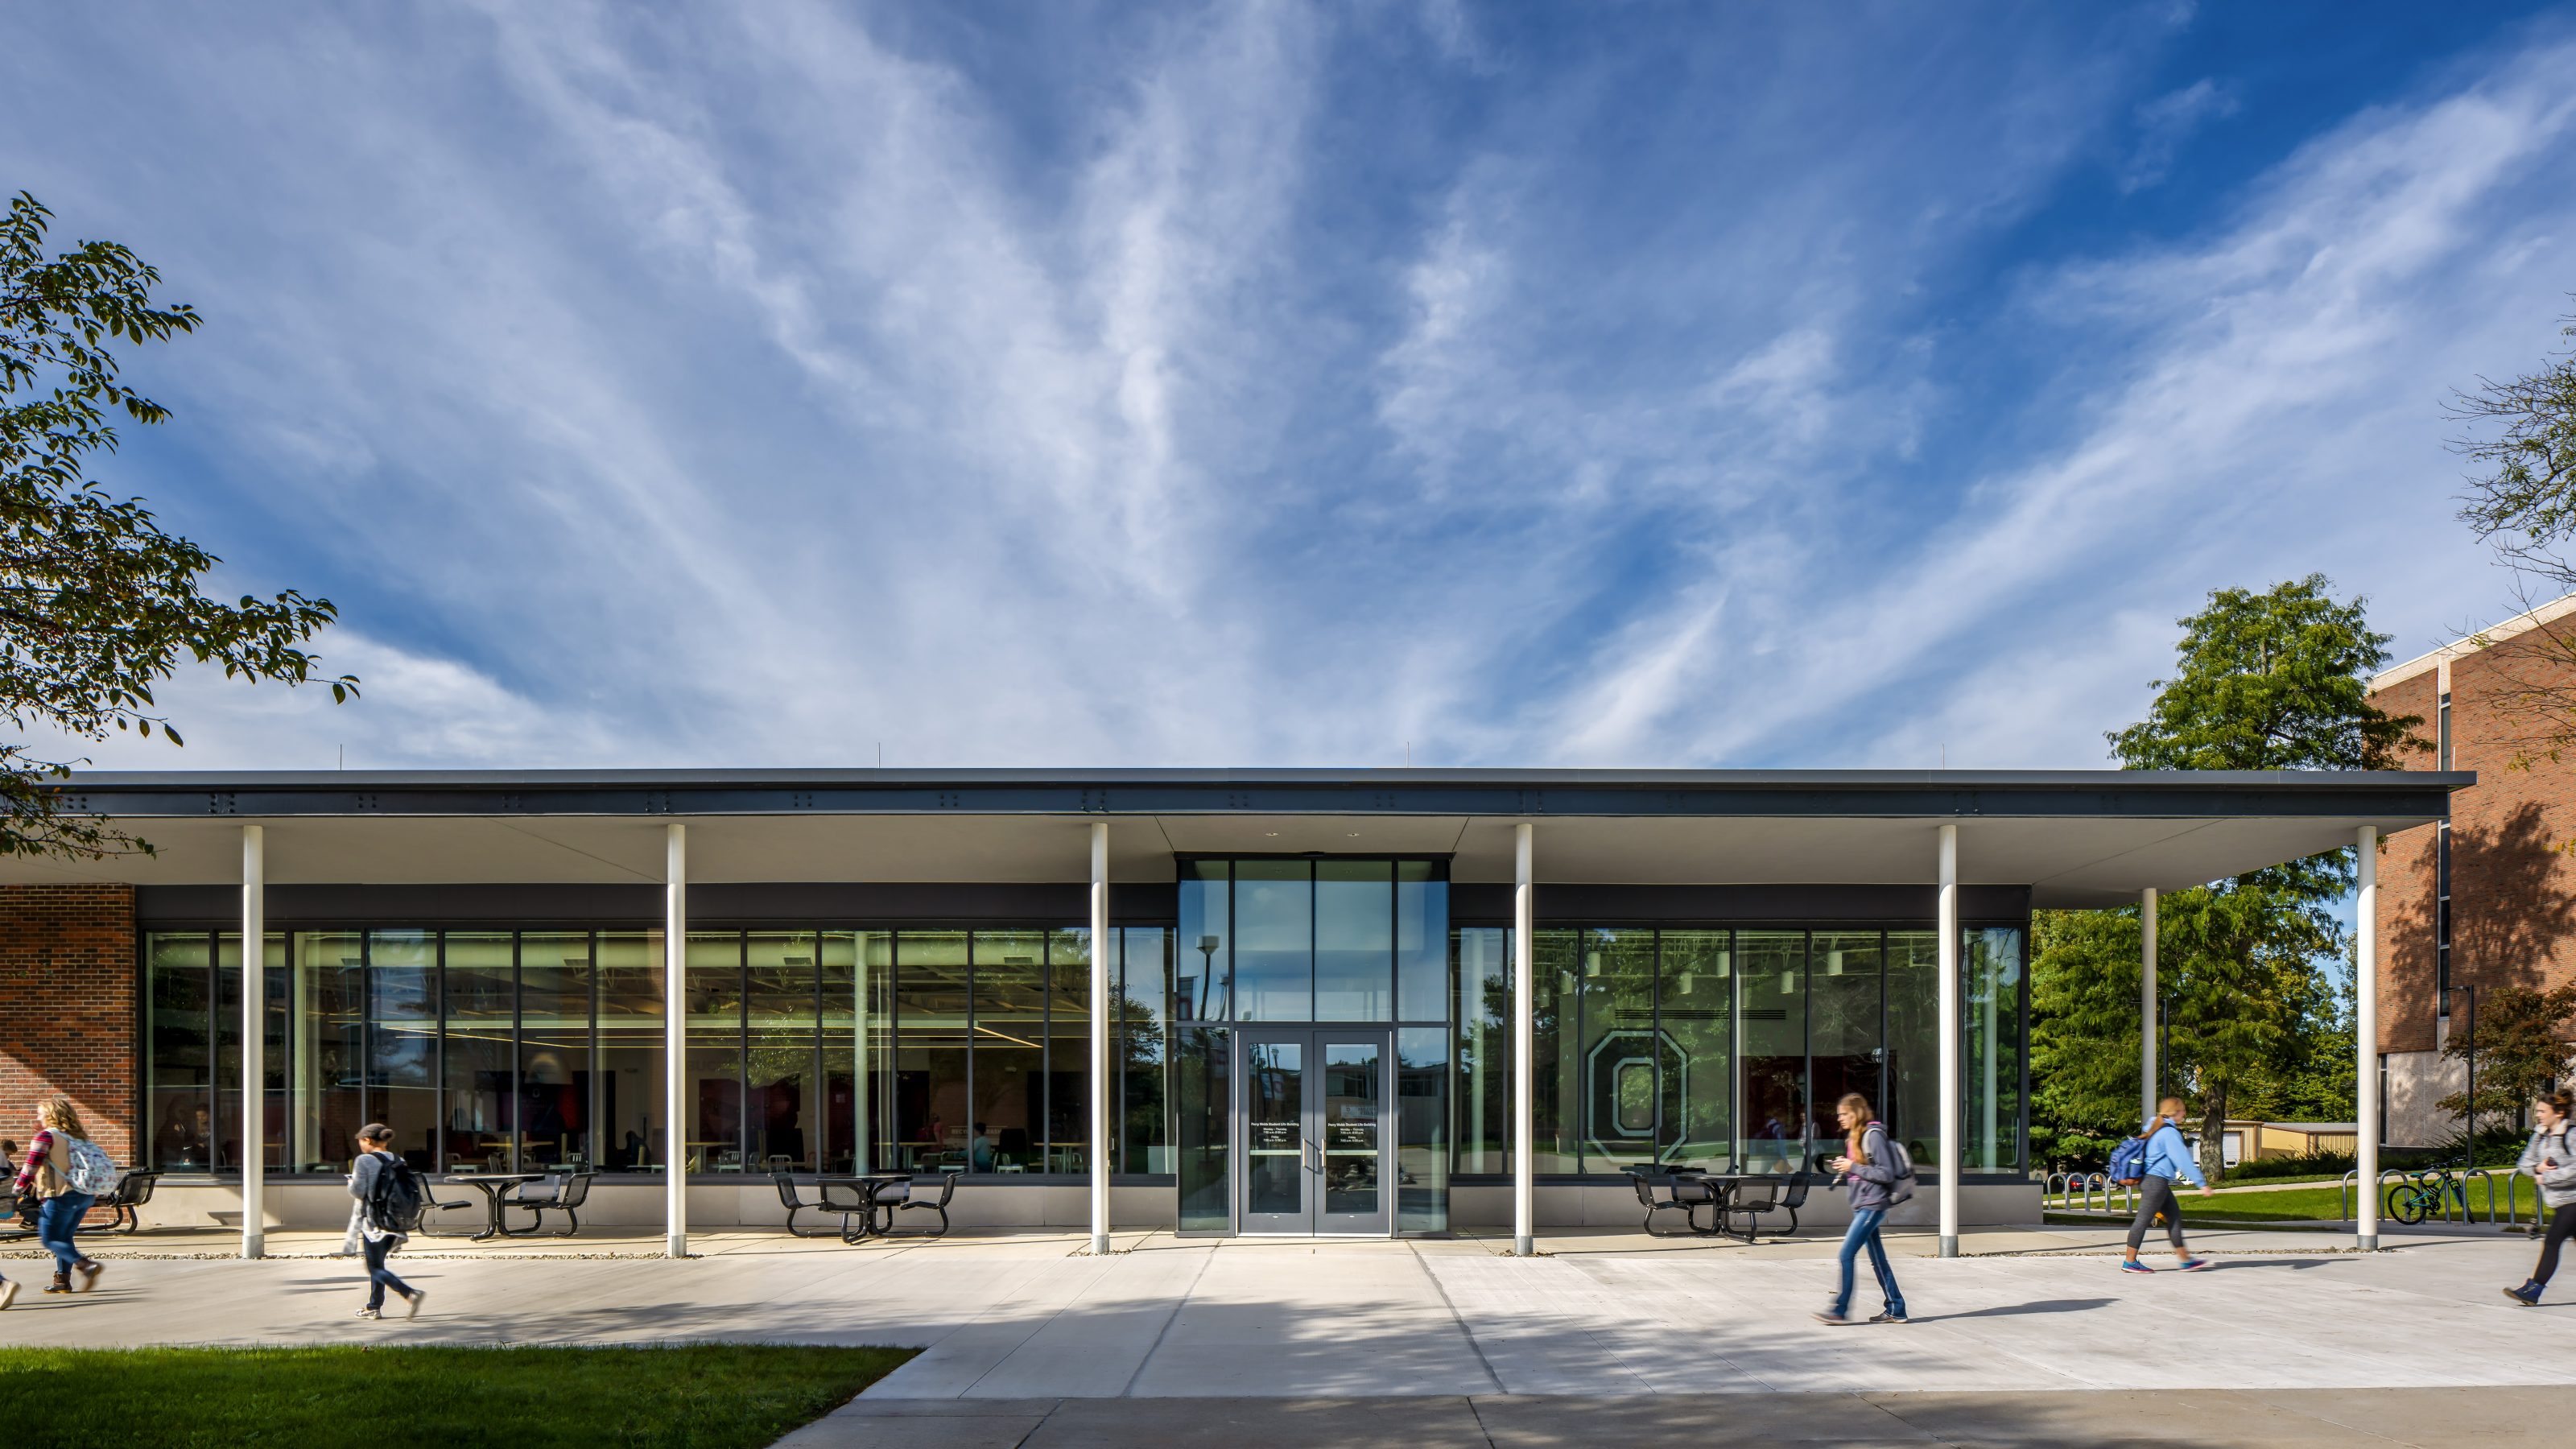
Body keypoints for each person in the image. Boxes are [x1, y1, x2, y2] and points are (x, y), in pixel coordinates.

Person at [1814, 1092, 1907, 1325]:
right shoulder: (1855, 1138)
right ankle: (1896, 1307)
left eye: (1844, 1114)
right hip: (1864, 1206)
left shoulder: (1873, 1136)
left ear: (1856, 1113)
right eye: (1839, 1115)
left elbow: (1886, 1174)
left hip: (1873, 1206)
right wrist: (1847, 1166)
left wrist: (1852, 1166)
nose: (1840, 1119)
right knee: (1878, 1260)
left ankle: (1840, 1310)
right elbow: (1866, 1171)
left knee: (1846, 1254)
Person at [12, 1096, 105, 1297]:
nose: (38, 1117)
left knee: (50, 1239)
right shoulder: (77, 1137)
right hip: (84, 1195)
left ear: (51, 1115)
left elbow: (30, 1168)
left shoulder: (46, 1137)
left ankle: (86, 1265)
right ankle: (62, 1281)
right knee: (64, 1238)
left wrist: (15, 1192)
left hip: (60, 1195)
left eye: (40, 1113)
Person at [2121, 1096, 2213, 1274]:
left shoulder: (2155, 1127)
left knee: (2174, 1217)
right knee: (2143, 1220)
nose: (2185, 1113)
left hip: (2156, 1181)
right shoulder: (2169, 1133)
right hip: (2156, 1182)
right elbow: (2183, 1160)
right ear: (2175, 1112)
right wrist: (2202, 1183)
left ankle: (2186, 1260)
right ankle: (2130, 1261)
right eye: (2183, 1110)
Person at [2504, 1090, 2576, 1305]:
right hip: (2559, 1202)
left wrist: (2548, 1176)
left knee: (2553, 1241)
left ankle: (2533, 1290)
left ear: (2559, 1112)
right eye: (2537, 1111)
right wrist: (2538, 1167)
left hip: (2573, 1200)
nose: (2539, 1115)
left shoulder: (2571, 1135)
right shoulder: (2540, 1135)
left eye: (2543, 1111)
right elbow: (2524, 1164)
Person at [349, 1123, 425, 1320]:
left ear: (367, 1140)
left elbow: (358, 1191)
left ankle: (409, 1293)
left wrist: (350, 1182)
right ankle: (374, 1306)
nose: (359, 1145)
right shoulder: (398, 1159)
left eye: (360, 1141)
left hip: (374, 1221)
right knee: (379, 1265)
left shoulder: (364, 1160)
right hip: (395, 1220)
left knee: (374, 1267)